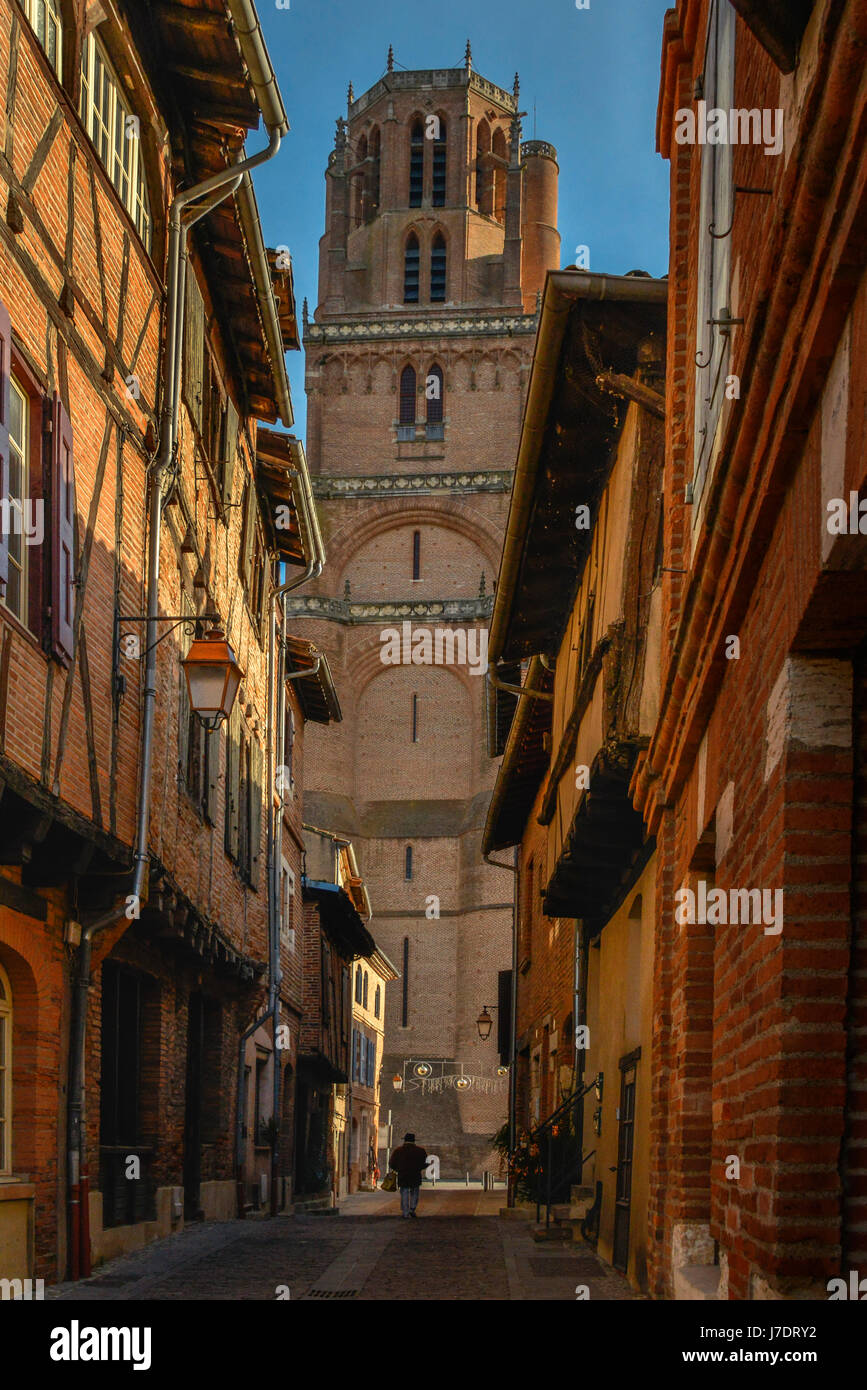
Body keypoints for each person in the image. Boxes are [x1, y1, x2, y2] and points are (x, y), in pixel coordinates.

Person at [389, 1132, 428, 1218]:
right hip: (415, 1174)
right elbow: (425, 1163)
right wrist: (419, 1168)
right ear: (414, 1141)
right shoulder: (420, 1151)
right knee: (415, 1192)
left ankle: (405, 1212)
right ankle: (412, 1209)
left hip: (403, 1174)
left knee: (404, 1192)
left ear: (405, 1140)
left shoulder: (398, 1151)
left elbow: (392, 1163)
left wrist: (398, 1169)